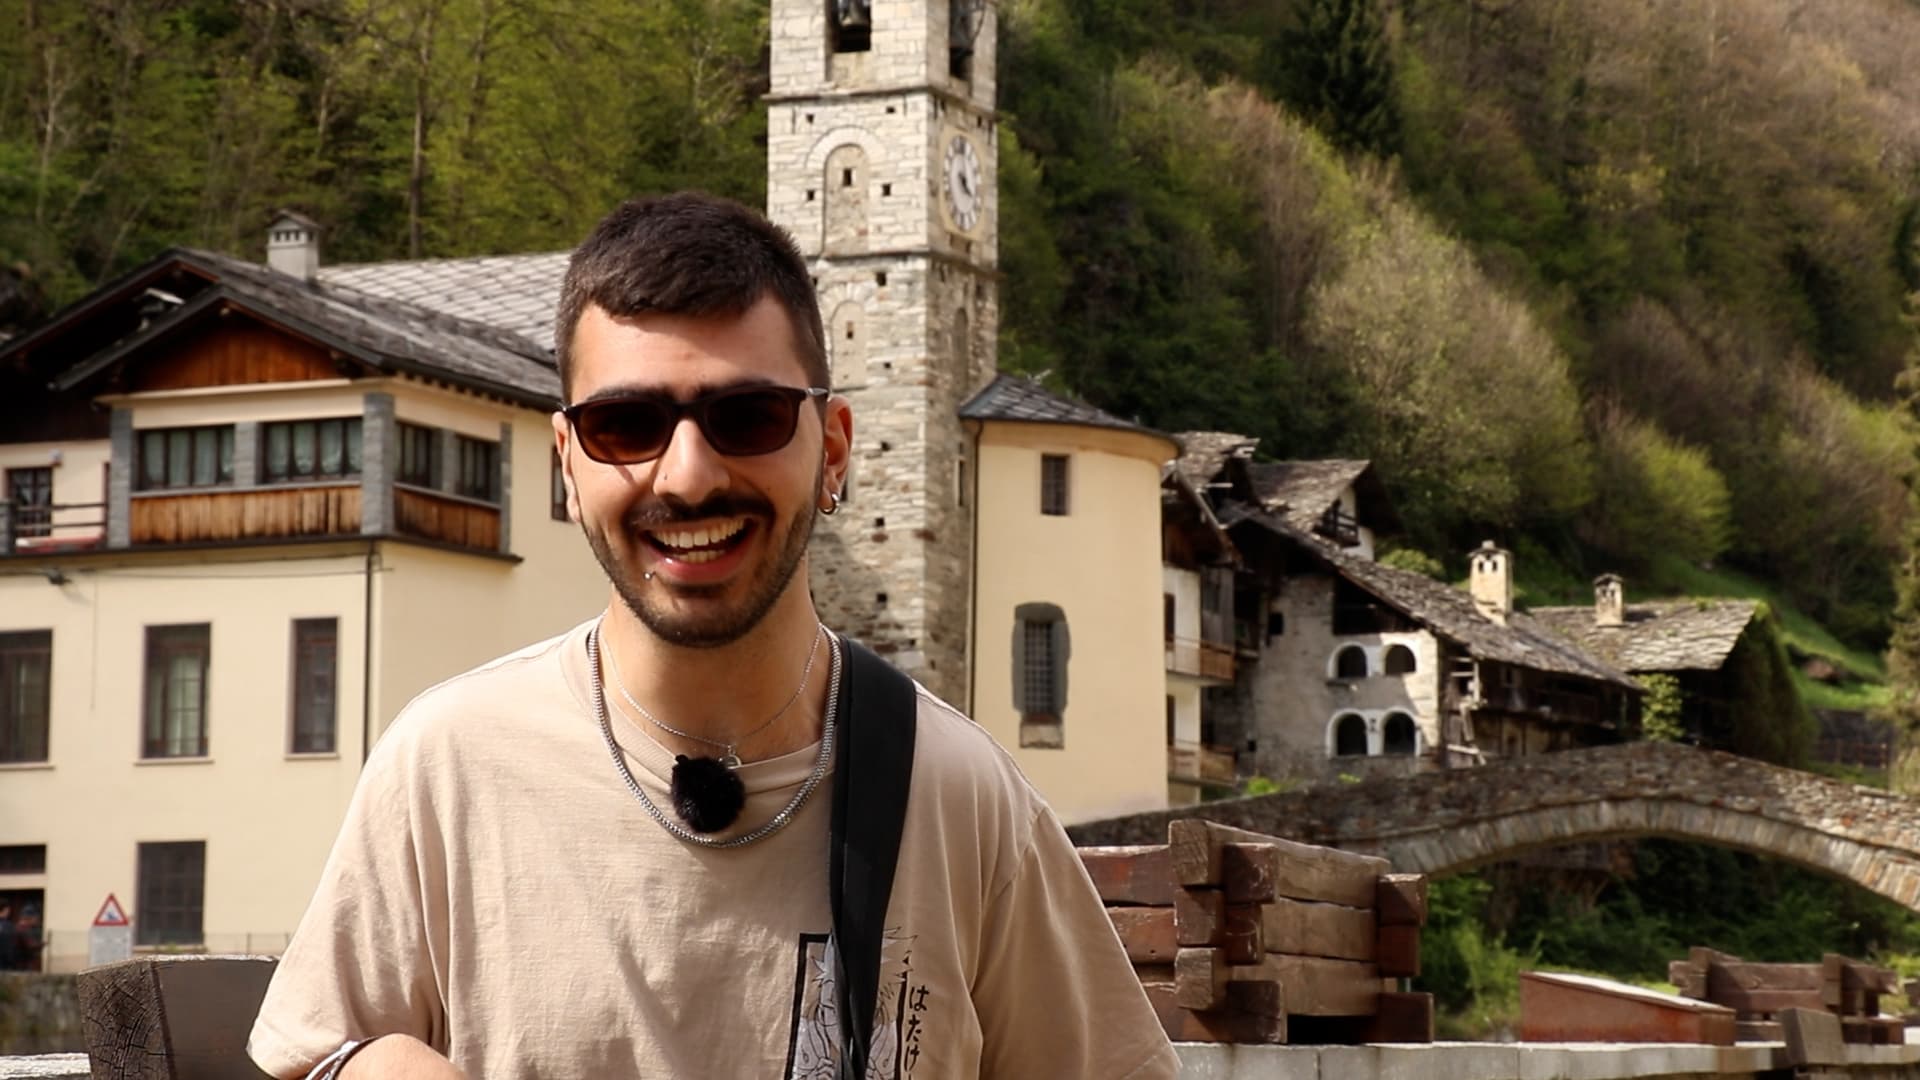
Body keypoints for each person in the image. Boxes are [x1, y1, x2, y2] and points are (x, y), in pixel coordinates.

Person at [248, 192, 1179, 1080]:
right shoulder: (446, 770)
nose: (688, 477)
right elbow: (309, 1053)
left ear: (836, 449)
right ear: (566, 463)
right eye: (626, 425)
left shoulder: (965, 802)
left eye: (748, 417)